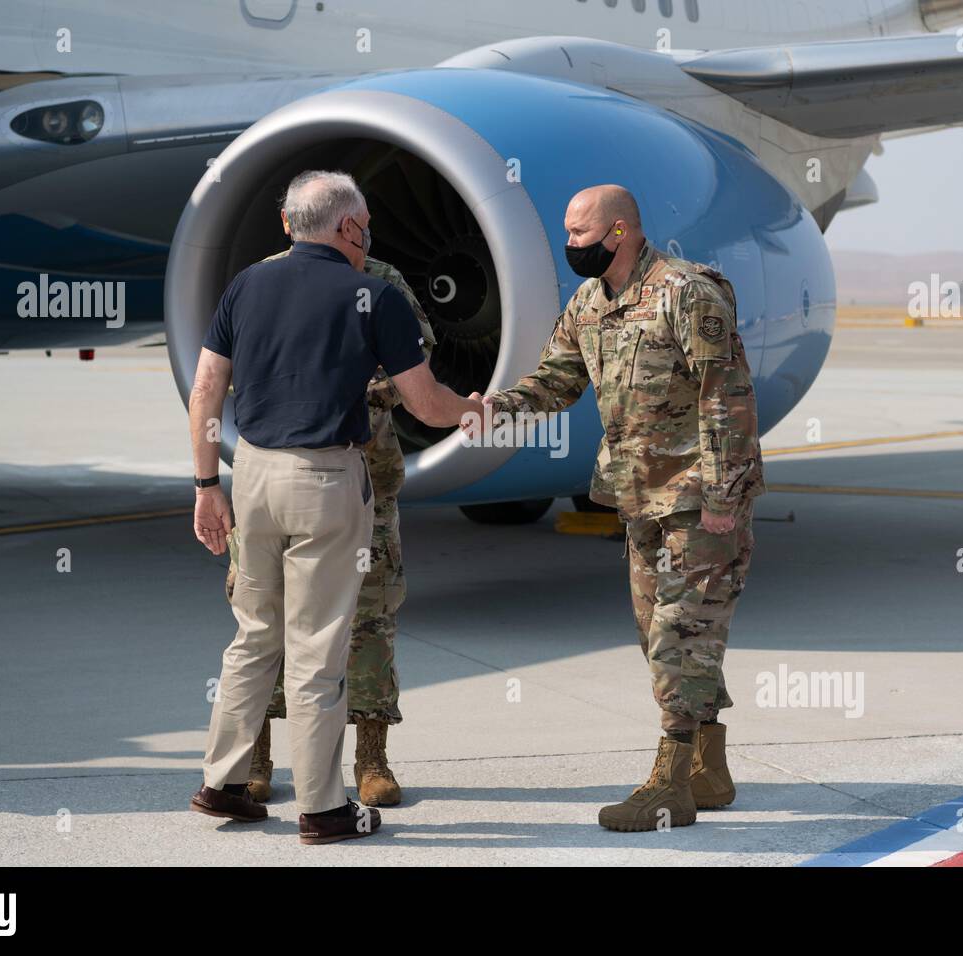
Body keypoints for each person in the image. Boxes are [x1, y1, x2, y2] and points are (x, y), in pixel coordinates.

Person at [188, 169, 479, 844]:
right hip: (325, 479)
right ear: (349, 228)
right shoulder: (375, 295)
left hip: (252, 476)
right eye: (365, 223)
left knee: (253, 637)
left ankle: (223, 782)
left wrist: (207, 486)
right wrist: (475, 409)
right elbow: (427, 404)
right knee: (318, 650)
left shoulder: (246, 285)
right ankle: (323, 808)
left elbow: (207, 391)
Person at [477, 184, 764, 832]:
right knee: (665, 640)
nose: (569, 245)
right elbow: (556, 381)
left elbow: (727, 397)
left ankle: (669, 786)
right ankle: (709, 771)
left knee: (678, 637)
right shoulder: (588, 303)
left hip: (698, 499)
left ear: (620, 231)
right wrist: (491, 412)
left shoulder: (687, 293)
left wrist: (722, 498)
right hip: (637, 500)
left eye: (579, 234)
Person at [224, 208, 436, 808]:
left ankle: (371, 756)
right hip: (280, 471)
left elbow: (414, 365)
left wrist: (356, 387)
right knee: (264, 618)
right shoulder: (258, 281)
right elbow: (241, 371)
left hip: (366, 473)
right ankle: (257, 760)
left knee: (369, 617)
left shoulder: (382, 281)